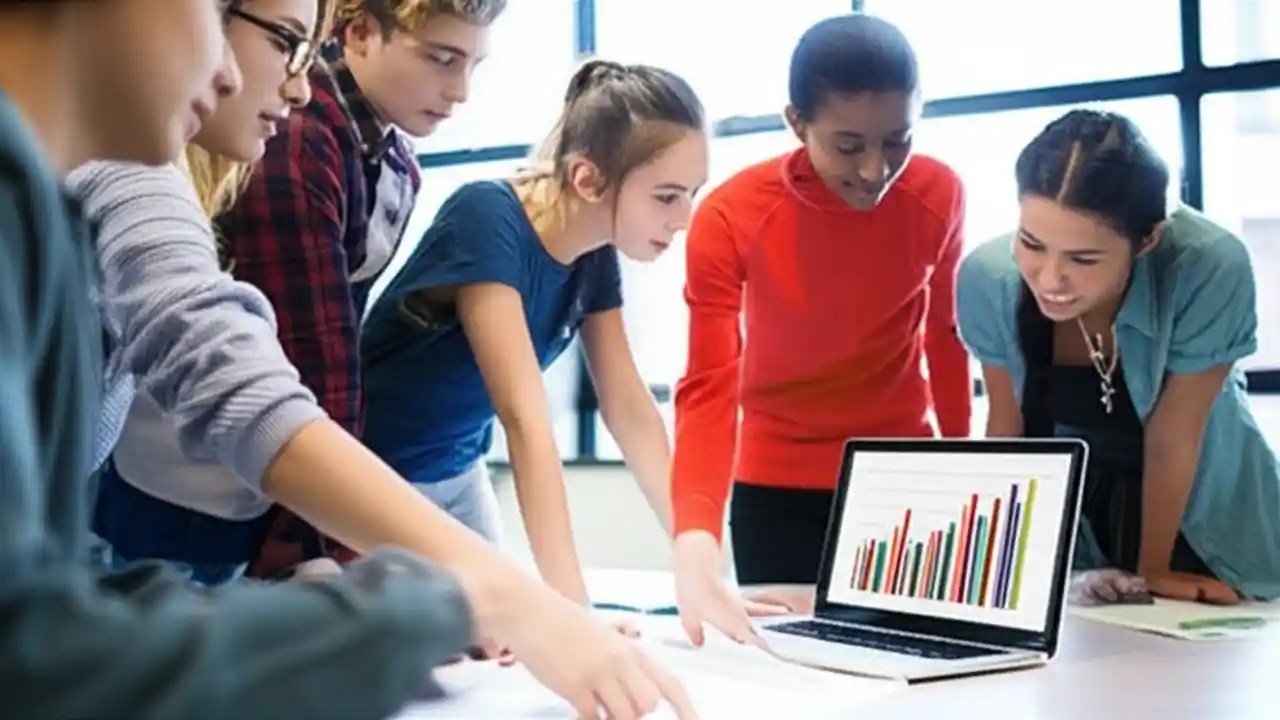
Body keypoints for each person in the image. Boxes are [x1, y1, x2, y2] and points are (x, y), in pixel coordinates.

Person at [60, 1, 697, 716]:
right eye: (287, 44)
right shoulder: (235, 160)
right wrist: (514, 598)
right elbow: (253, 387)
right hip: (214, 501)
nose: (300, 86)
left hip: (252, 510)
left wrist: (687, 550)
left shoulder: (183, 170)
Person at [0, 1, 472, 716]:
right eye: (215, 10)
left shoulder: (46, 208)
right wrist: (400, 617)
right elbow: (33, 659)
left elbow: (45, 582)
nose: (224, 67)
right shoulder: (52, 192)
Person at [670, 12, 972, 645]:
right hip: (775, 490)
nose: (874, 169)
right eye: (848, 145)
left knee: (923, 669)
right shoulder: (730, 215)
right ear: (796, 123)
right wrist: (696, 534)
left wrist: (960, 466)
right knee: (792, 677)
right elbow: (709, 384)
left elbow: (943, 338)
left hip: (901, 480)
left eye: (898, 139)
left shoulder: (939, 193)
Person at [359, 59, 706, 606]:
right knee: (480, 642)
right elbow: (524, 420)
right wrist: (573, 609)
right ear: (588, 179)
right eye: (667, 196)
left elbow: (629, 408)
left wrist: (698, 560)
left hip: (458, 472)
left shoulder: (593, 254)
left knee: (507, 642)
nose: (686, 217)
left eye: (692, 192)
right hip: (377, 482)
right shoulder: (487, 216)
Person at [219, 0, 510, 578]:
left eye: (473, 65)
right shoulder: (297, 140)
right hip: (240, 472)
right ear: (358, 33)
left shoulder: (395, 159)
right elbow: (314, 358)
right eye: (442, 59)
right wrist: (318, 550)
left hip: (302, 462)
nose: (460, 92)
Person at [956, 108, 1280, 605]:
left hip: (1199, 511)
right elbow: (1008, 426)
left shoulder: (1209, 264)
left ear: (1147, 240)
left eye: (1083, 259)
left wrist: (1154, 571)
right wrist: (1001, 565)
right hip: (1077, 525)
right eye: (1032, 244)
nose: (1049, 278)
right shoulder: (988, 277)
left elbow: (1176, 435)